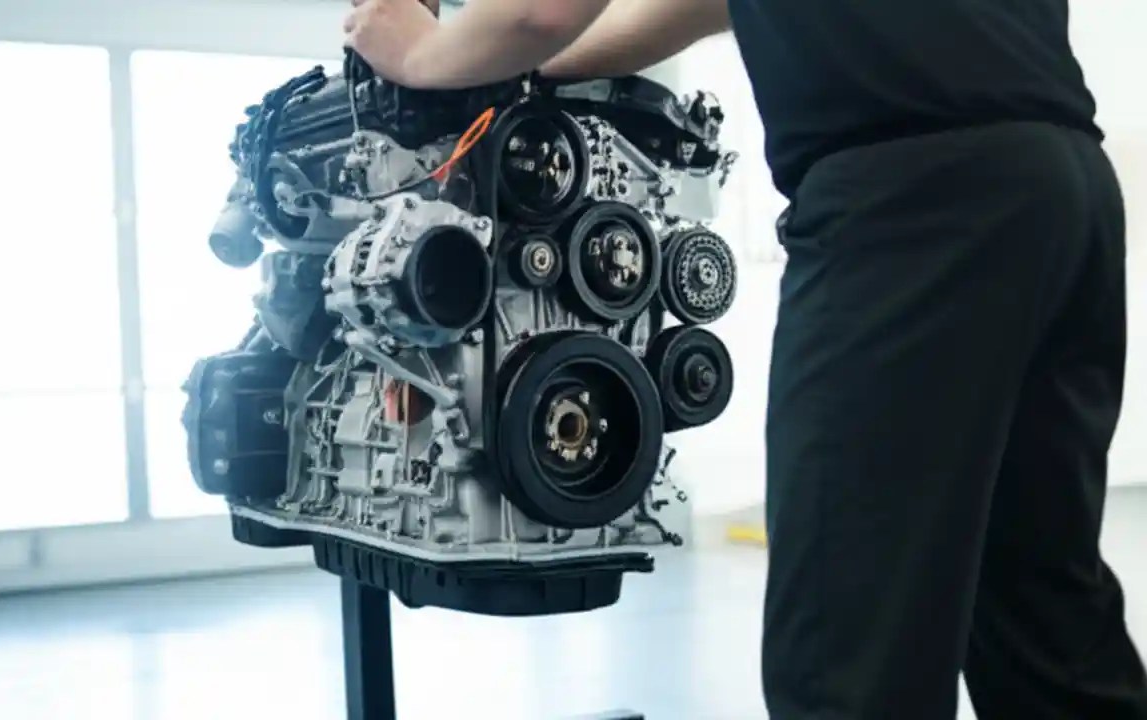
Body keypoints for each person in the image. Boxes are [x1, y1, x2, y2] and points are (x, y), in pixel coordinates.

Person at [344, 0, 1147, 718]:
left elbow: (541, 11)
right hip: (1061, 184)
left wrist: (423, 51)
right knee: (1045, 617)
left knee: (846, 657)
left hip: (915, 207)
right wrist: (520, 61)